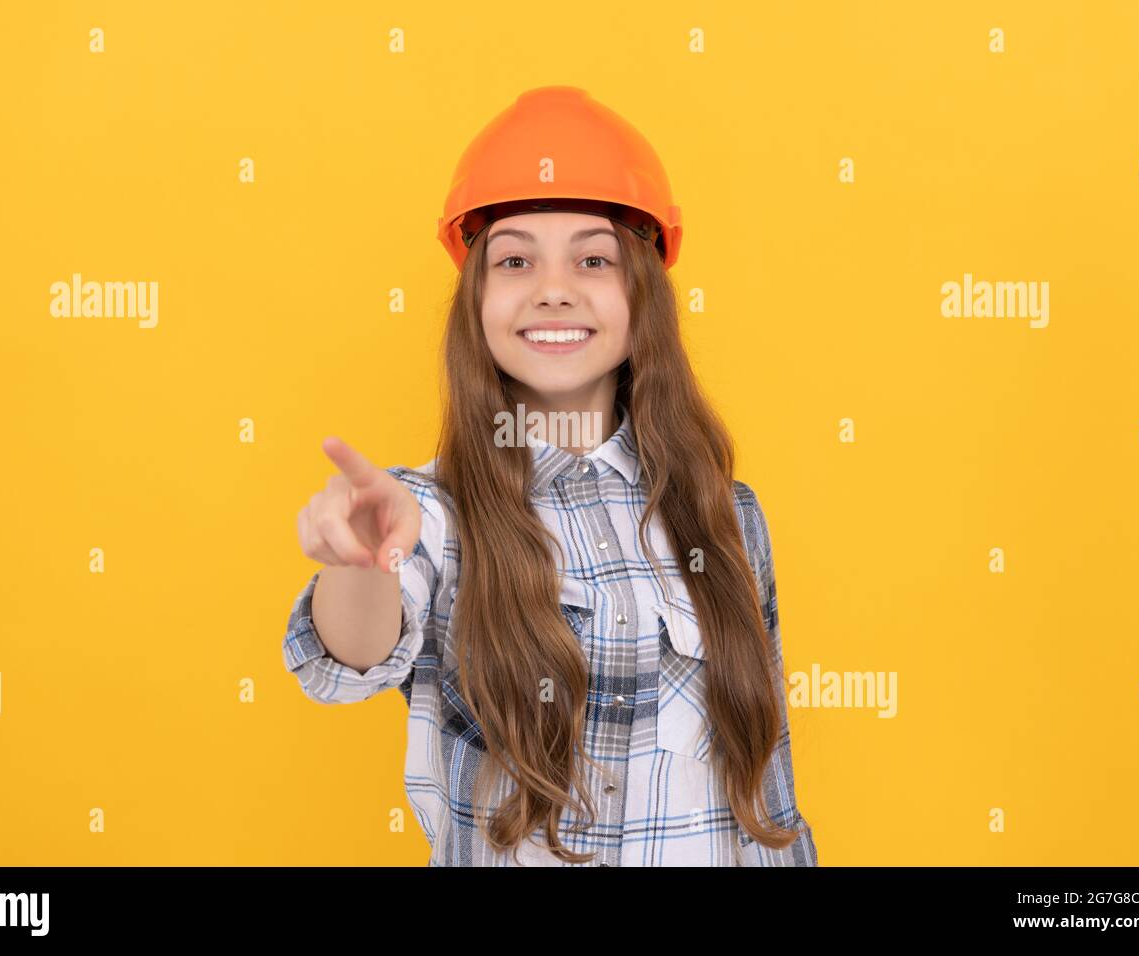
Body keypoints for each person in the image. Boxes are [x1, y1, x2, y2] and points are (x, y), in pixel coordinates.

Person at [285, 86, 817, 866]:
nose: (554, 286)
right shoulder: (431, 514)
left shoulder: (725, 515)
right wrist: (361, 564)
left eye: (593, 258)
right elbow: (349, 663)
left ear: (644, 291)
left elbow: (769, 793)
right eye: (516, 260)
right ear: (477, 300)